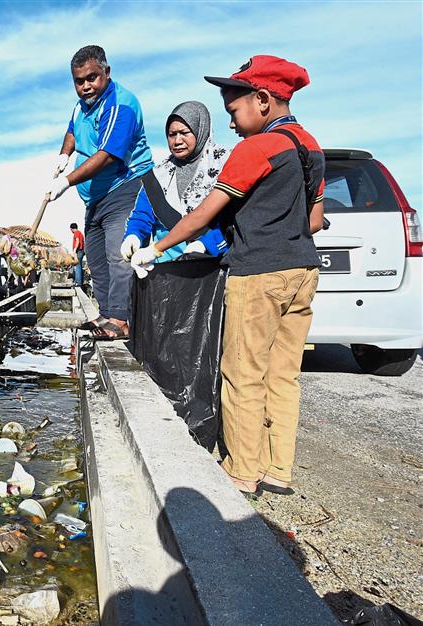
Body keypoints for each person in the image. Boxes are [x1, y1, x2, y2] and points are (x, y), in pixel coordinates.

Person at [129, 55, 326, 497]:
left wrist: (155, 248)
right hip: (303, 270)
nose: (232, 123)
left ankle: (242, 470)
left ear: (263, 100)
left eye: (234, 110)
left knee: (242, 371)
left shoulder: (256, 149)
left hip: (258, 273)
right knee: (283, 373)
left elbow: (203, 216)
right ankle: (277, 468)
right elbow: (314, 221)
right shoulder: (310, 146)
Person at [46, 45, 154, 340]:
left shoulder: (121, 104)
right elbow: (72, 130)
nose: (86, 86)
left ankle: (121, 320)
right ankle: (106, 314)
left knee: (119, 255)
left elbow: (108, 154)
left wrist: (66, 181)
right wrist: (64, 154)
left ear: (107, 72)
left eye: (92, 78)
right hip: (95, 197)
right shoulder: (81, 106)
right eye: (79, 81)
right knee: (95, 258)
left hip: (126, 186)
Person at [120, 101, 230, 267]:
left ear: (201, 130)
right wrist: (133, 235)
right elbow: (142, 214)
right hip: (168, 268)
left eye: (184, 133)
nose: (177, 140)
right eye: (172, 134)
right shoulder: (157, 176)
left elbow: (234, 218)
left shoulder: (225, 165)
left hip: (216, 263)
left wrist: (205, 244)